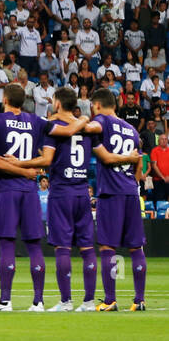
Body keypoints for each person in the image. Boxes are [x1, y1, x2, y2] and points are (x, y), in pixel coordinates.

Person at [0, 82, 67, 311]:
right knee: (34, 245)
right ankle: (38, 301)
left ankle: (5, 300)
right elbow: (64, 131)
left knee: (7, 244)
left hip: (7, 189)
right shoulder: (37, 121)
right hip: (29, 190)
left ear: (5, 100)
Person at [84, 89, 148, 310]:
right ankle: (139, 300)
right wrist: (133, 182)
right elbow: (139, 162)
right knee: (136, 247)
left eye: (93, 106)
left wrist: (83, 123)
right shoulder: (131, 130)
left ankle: (110, 299)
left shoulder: (102, 121)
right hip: (131, 191)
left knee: (107, 247)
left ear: (98, 105)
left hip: (111, 192)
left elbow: (106, 156)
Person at [42, 87, 98, 310]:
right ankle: (89, 301)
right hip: (83, 191)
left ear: (56, 104)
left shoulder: (52, 127)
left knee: (62, 248)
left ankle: (65, 301)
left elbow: (46, 159)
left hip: (61, 191)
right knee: (87, 248)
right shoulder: (87, 127)